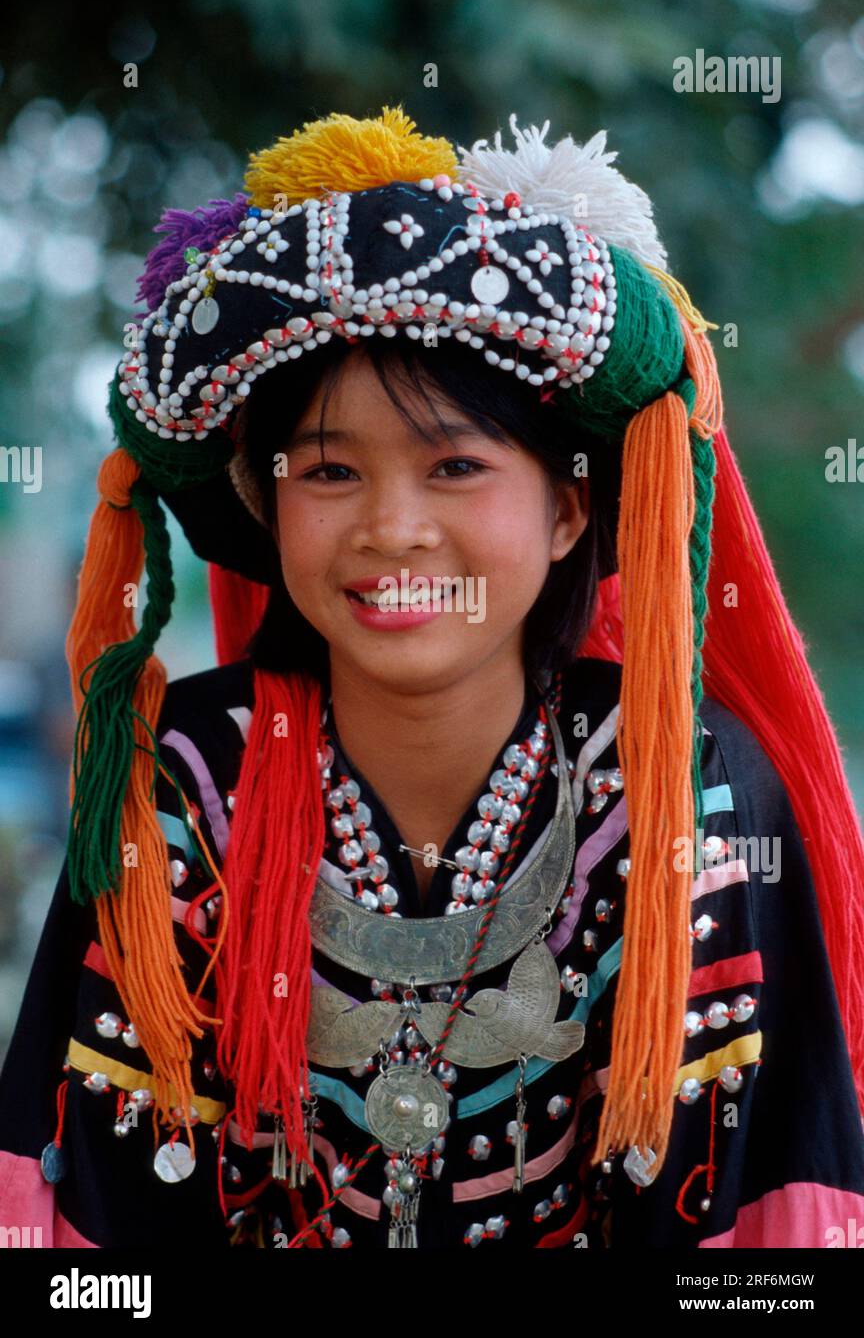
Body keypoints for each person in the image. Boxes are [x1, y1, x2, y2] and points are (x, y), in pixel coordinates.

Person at [1, 105, 863, 1250]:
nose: (393, 528)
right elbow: (97, 1241)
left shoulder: (677, 788)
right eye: (330, 469)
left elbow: (753, 1246)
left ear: (569, 508)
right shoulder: (192, 779)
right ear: (266, 504)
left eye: (456, 464)